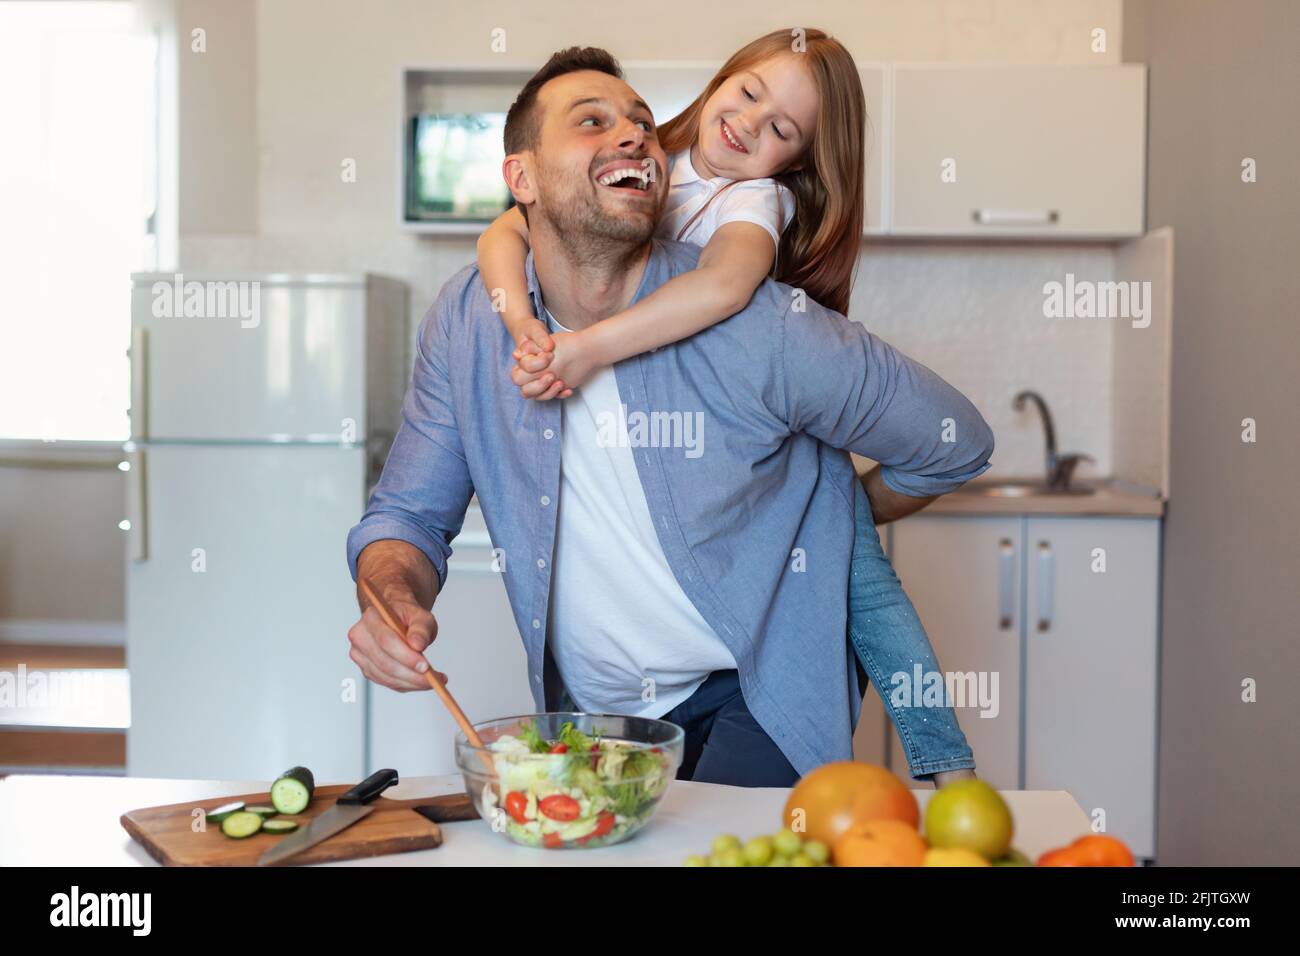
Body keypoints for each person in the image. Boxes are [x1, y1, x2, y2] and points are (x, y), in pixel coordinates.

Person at [345, 44, 994, 787]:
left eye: (642, 124)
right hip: (598, 717)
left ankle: (948, 766)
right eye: (592, 121)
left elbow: (956, 441)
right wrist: (391, 602)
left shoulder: (758, 316)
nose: (632, 136)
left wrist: (829, 518)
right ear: (519, 177)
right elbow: (405, 516)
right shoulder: (470, 321)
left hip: (758, 694)